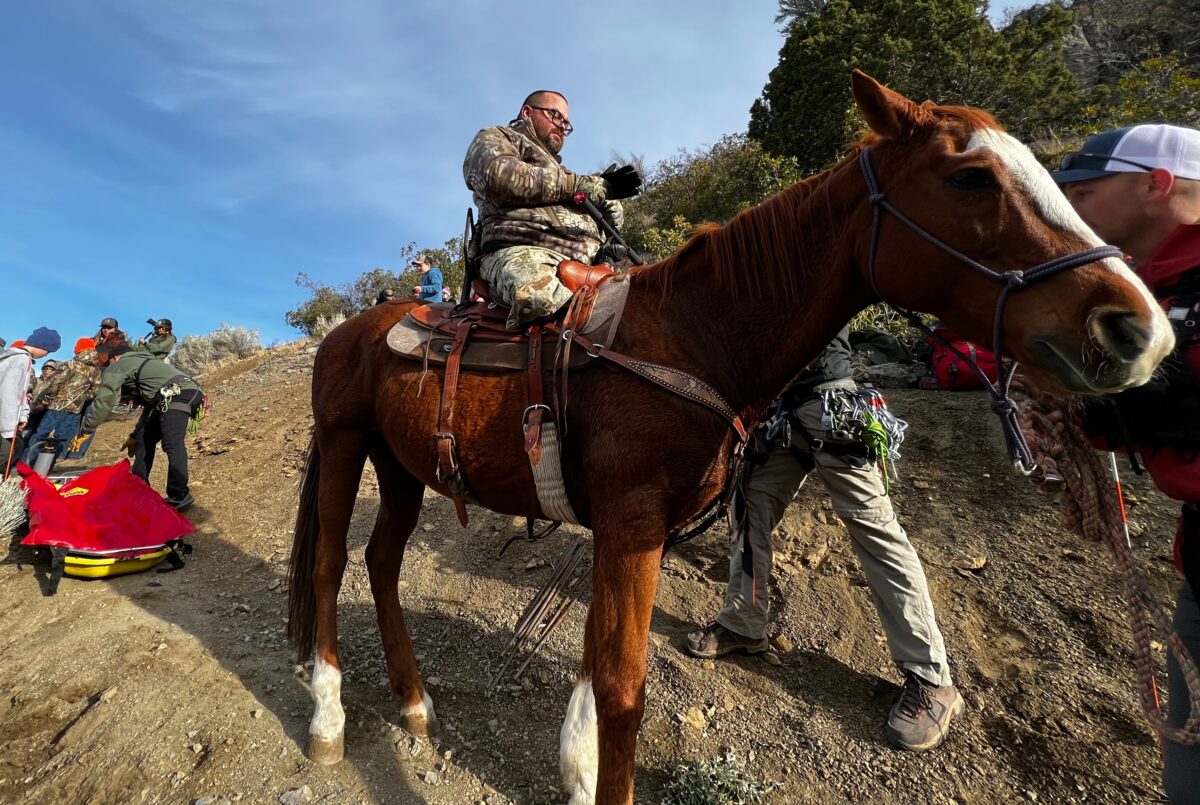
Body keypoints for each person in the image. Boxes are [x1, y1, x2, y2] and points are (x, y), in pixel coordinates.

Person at [685, 326, 962, 752]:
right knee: (748, 507)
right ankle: (744, 623)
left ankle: (932, 678)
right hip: (782, 414)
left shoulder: (800, 261)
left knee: (876, 533)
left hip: (831, 405)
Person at [1053, 123, 1200, 803]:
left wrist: (1138, 406)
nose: (1069, 206)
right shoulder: (1145, 291)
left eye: (1085, 191)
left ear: (1157, 183)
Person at [462, 89, 642, 330]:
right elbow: (498, 176)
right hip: (521, 251)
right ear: (527, 112)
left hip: (590, 264)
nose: (562, 126)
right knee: (541, 298)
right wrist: (581, 185)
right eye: (555, 116)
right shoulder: (497, 137)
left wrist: (608, 201)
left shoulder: (563, 173)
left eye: (566, 124)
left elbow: (608, 216)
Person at [74, 344, 204, 510]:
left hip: (178, 395)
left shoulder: (121, 364)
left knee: (172, 443)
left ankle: (180, 495)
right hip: (181, 393)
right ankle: (139, 488)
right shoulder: (145, 365)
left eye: (107, 363)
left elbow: (105, 400)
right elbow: (150, 408)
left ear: (116, 358)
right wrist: (135, 434)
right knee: (144, 439)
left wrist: (86, 429)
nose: (107, 367)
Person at [22, 338, 102, 468]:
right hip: (75, 410)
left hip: (57, 406)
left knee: (41, 433)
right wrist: (80, 398)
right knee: (62, 437)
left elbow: (55, 383)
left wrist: (47, 399)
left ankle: (27, 463)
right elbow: (96, 390)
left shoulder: (70, 364)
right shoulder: (95, 370)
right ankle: (48, 465)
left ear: (79, 349)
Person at [0, 328, 60, 476]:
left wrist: (22, 415)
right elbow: (9, 393)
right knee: (6, 453)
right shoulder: (20, 360)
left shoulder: (18, 359)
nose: (46, 354)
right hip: (5, 419)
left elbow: (21, 394)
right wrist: (8, 428)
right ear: (42, 345)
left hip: (8, 416)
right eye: (48, 351)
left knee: (14, 449)